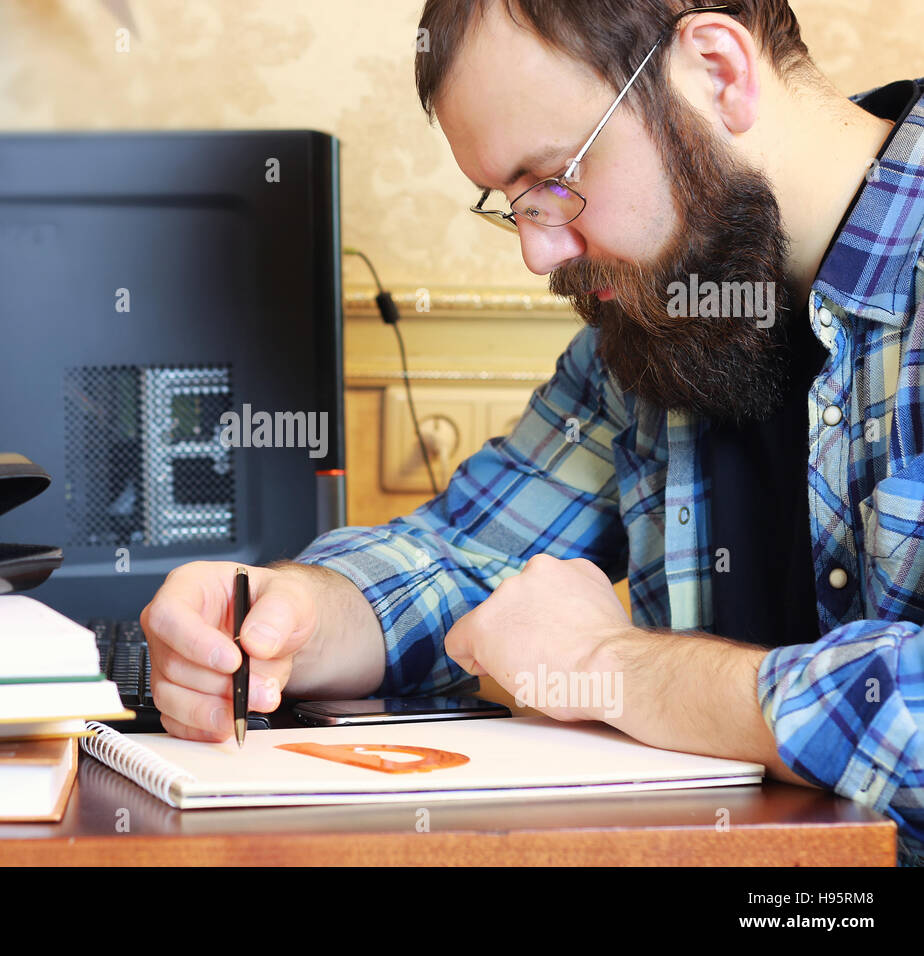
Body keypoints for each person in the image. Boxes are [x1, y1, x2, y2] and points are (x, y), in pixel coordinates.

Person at [141, 0, 924, 864]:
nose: (539, 255)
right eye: (514, 204)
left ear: (718, 72)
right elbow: (467, 555)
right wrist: (294, 616)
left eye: (553, 180)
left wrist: (610, 662)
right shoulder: (657, 321)